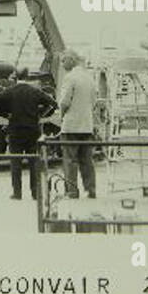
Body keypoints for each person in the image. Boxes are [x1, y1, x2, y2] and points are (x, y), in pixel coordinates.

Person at [0, 68, 57, 200]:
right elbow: (53, 104)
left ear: (15, 77)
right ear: (28, 76)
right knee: (34, 163)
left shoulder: (9, 92)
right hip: (33, 131)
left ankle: (17, 193)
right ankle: (35, 193)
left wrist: (6, 115)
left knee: (15, 163)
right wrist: (41, 114)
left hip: (15, 131)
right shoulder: (35, 91)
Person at [58, 50, 96, 199]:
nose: (62, 64)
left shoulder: (70, 78)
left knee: (70, 160)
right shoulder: (89, 78)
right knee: (87, 160)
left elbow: (64, 102)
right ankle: (91, 189)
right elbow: (93, 102)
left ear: (71, 60)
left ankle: (72, 191)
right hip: (87, 125)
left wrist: (61, 116)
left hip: (71, 125)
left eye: (63, 60)